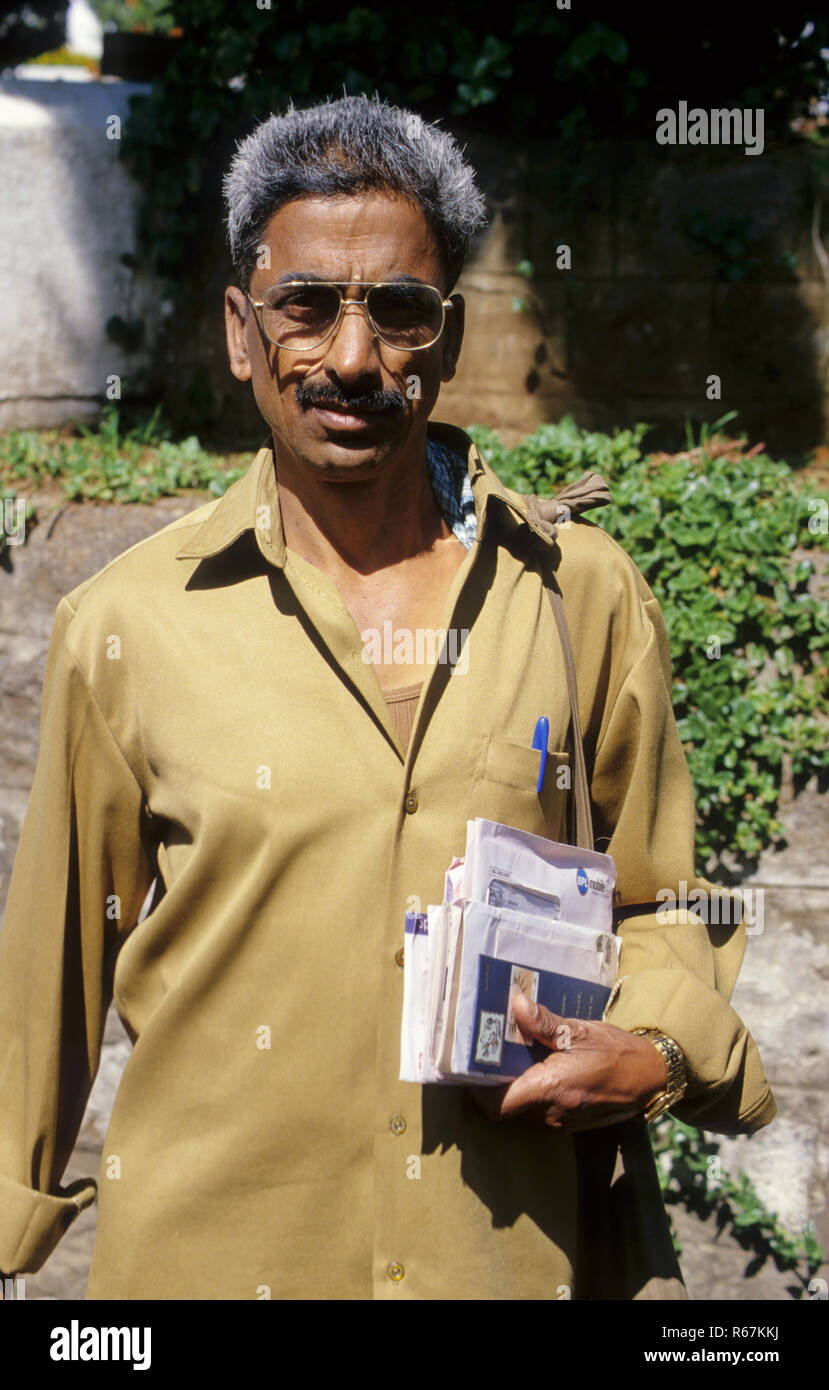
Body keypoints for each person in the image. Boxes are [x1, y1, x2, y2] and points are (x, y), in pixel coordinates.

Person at [0, 93, 774, 1300]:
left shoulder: (579, 597)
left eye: (398, 313)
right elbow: (50, 977)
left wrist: (663, 1048)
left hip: (506, 1265)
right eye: (304, 308)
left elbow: (662, 897)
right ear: (241, 333)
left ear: (450, 339)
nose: (351, 360)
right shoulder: (129, 627)